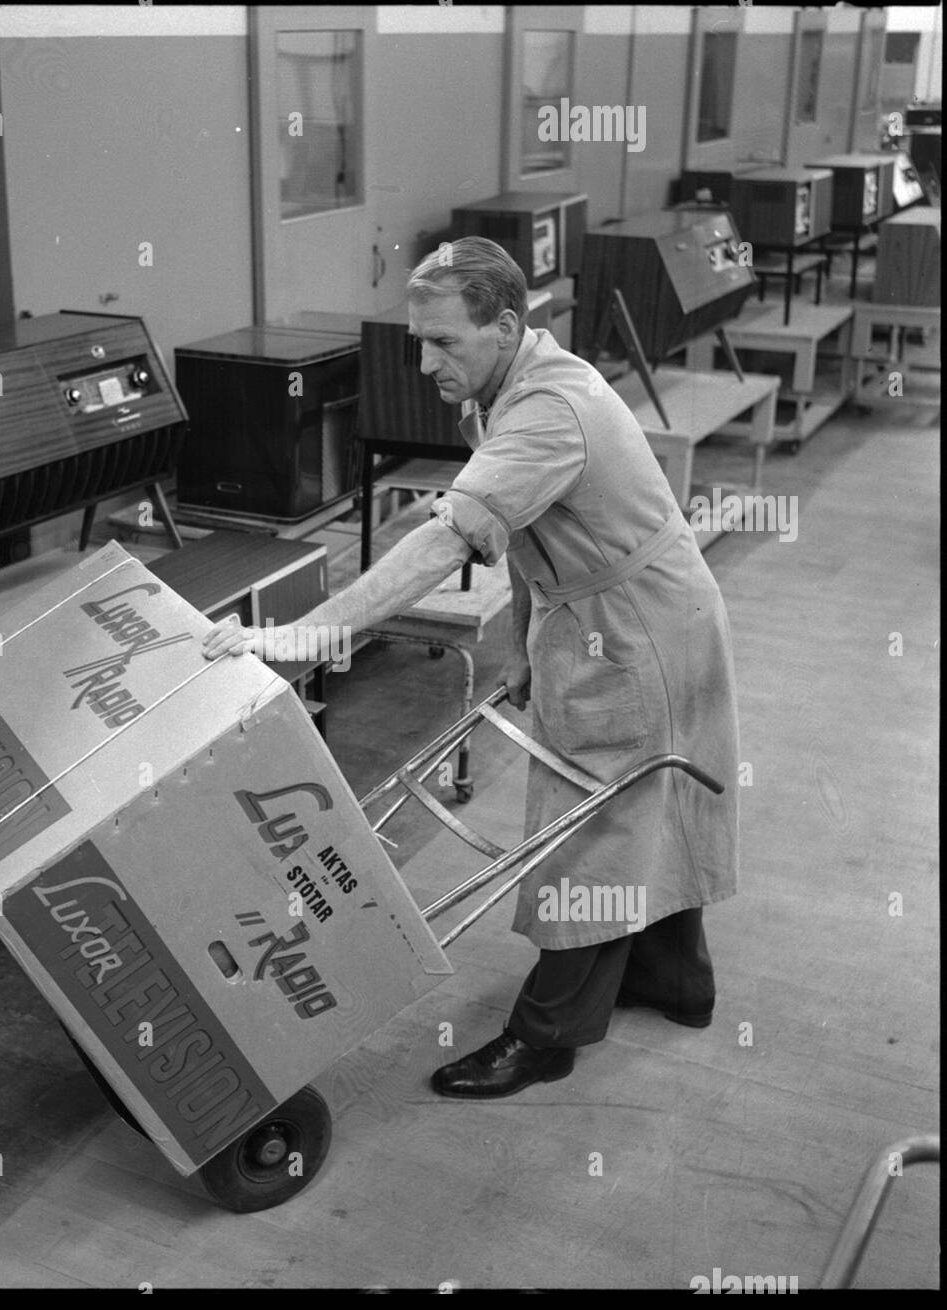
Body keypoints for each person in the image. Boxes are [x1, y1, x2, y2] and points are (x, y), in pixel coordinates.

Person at [203, 236, 739, 1099]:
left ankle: (548, 1034)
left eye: (445, 342)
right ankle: (677, 980)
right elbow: (532, 530)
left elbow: (453, 532)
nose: (424, 362)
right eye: (418, 339)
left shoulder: (546, 408)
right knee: (646, 802)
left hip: (640, 630)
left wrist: (314, 632)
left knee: (586, 829)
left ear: (506, 325)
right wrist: (529, 643)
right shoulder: (509, 384)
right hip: (618, 608)